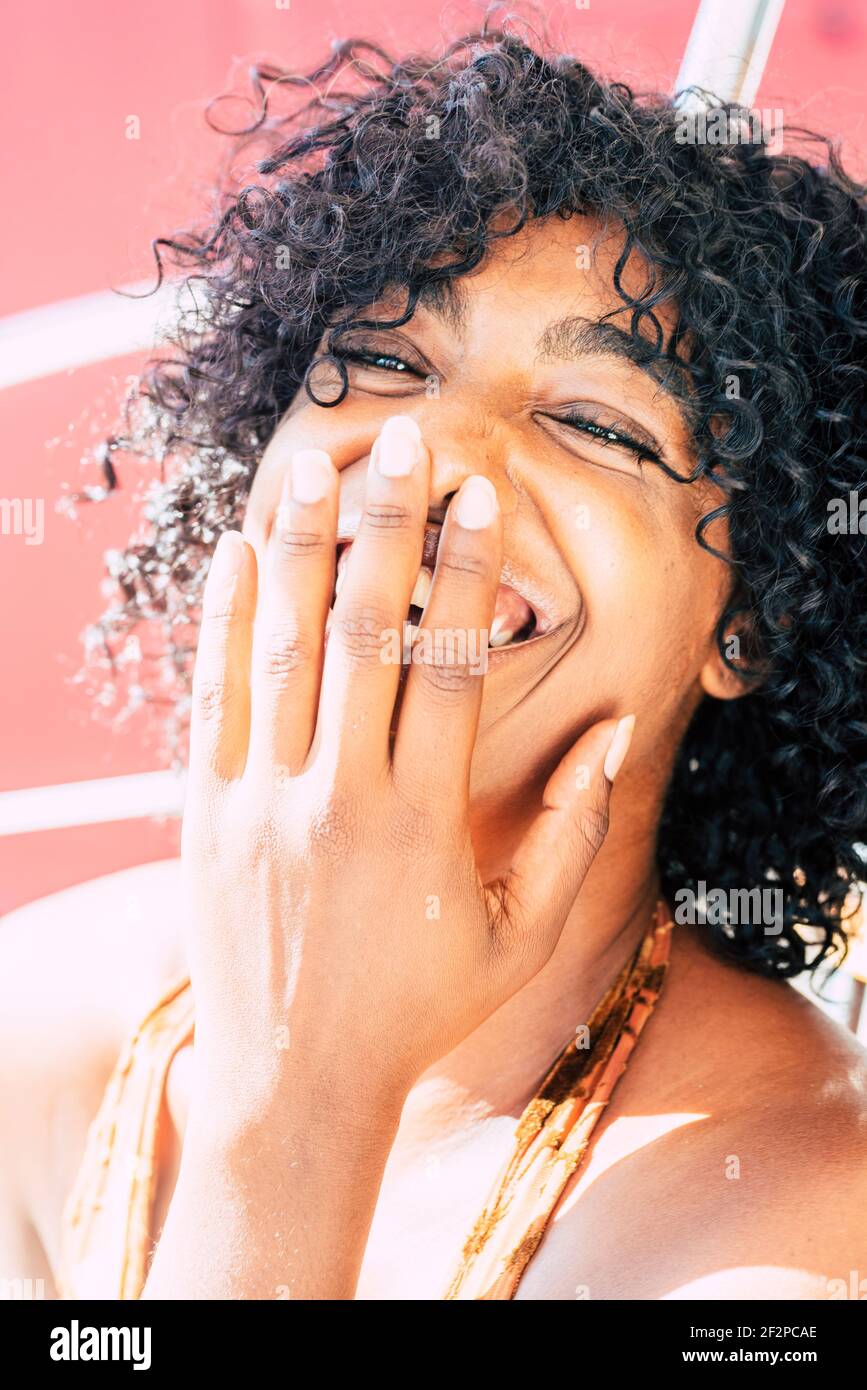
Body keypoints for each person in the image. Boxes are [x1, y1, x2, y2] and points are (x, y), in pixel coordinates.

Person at [2, 23, 867, 1301]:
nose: (424, 457)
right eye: (385, 360)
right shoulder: (39, 1018)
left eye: (592, 423)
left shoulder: (797, 1240)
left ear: (752, 622)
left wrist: (301, 1099)